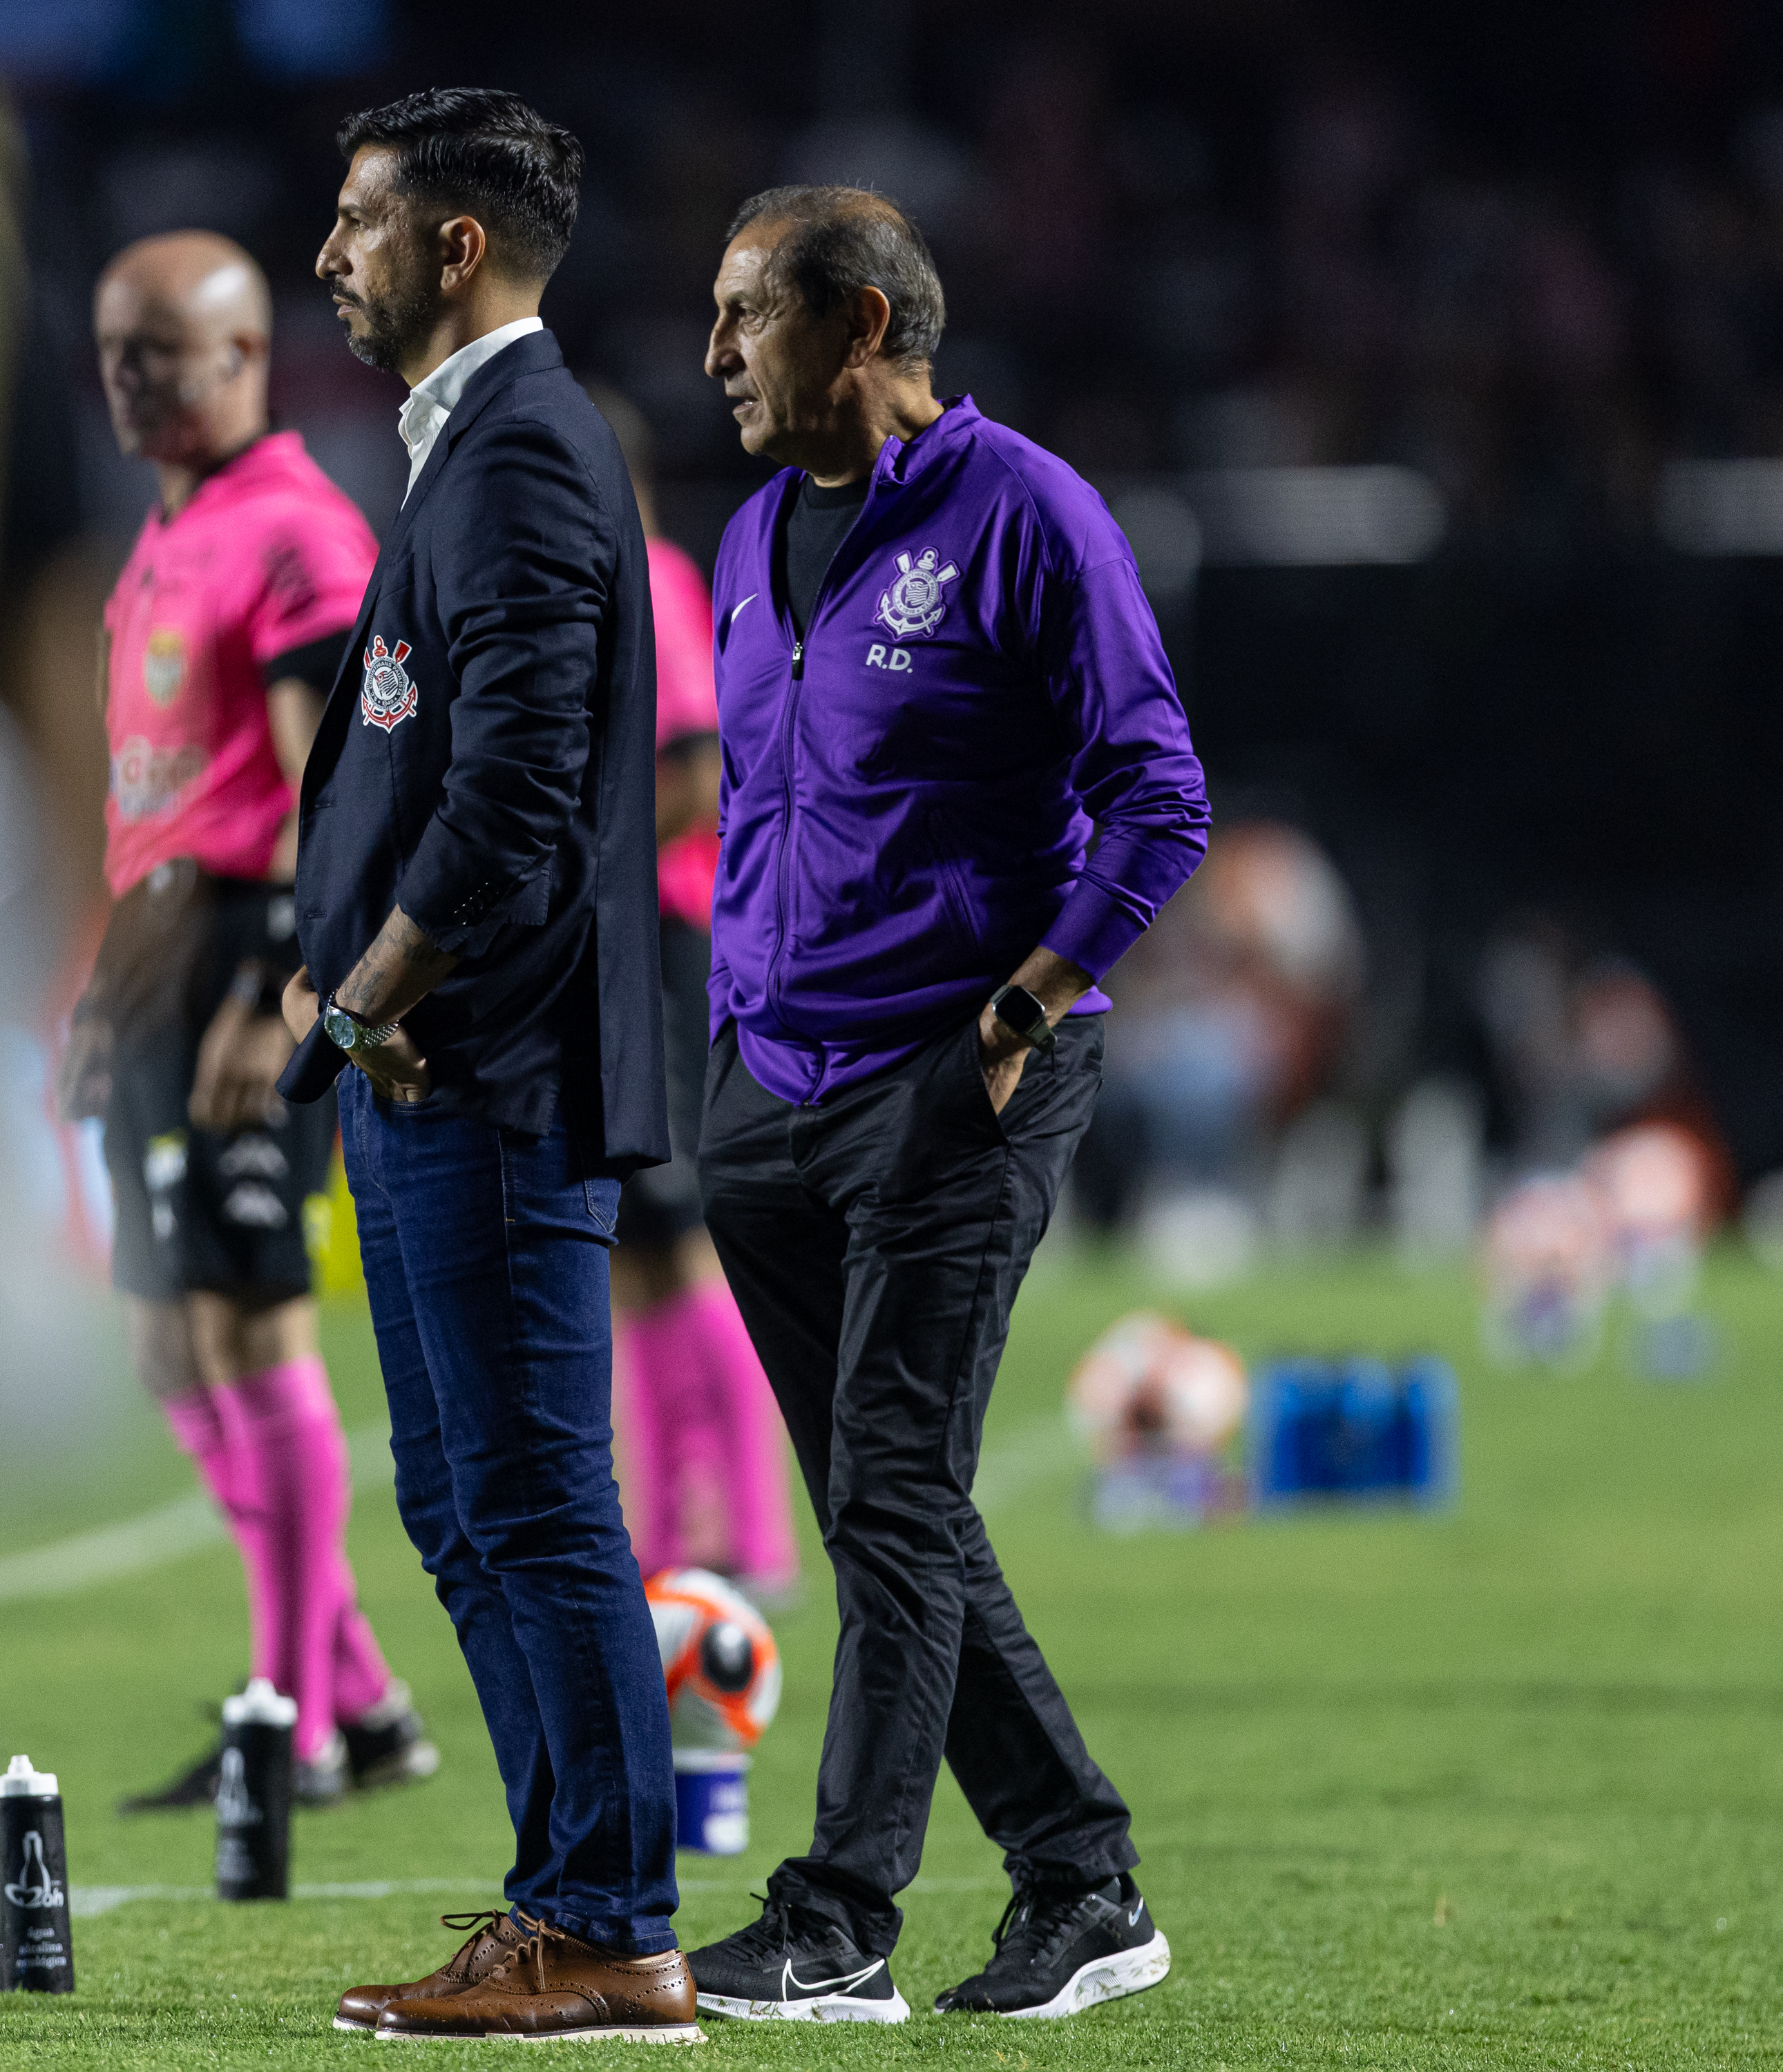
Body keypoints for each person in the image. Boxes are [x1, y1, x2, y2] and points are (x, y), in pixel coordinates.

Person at [688, 186, 1210, 2024]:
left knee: (894, 1488)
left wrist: (1025, 1000)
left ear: (854, 327)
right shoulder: (753, 531)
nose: (711, 356)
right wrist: (726, 1041)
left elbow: (1158, 793)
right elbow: (759, 814)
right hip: (766, 1091)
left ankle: (836, 1920)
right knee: (878, 1507)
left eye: (743, 318)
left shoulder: (1027, 518)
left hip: (952, 1073)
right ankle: (1077, 1880)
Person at [282, 89, 698, 2043]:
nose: (328, 255)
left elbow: (515, 797)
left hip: (489, 1072)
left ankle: (606, 1924)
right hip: (436, 1068)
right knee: (466, 1504)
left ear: (458, 245)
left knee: (532, 1500)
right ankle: (563, 1903)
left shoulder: (522, 454)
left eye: (359, 221)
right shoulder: (475, 451)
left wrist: (369, 991)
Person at [60, 231, 435, 1810]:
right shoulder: (161, 535)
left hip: (240, 943)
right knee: (165, 1333)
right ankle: (353, 1699)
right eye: (116, 351)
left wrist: (280, 979)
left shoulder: (291, 531)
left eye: (166, 350)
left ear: (244, 357)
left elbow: (326, 785)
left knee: (253, 1318)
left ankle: (288, 1721)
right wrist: (101, 981)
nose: (134, 379)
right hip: (152, 949)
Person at [583, 383, 798, 1602]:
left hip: (667, 929)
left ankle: (755, 1536)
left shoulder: (656, 584)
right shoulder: (609, 593)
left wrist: (576, 868)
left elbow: (696, 771)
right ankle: (671, 1539)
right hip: (626, 933)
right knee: (634, 1246)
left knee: (679, 1231)